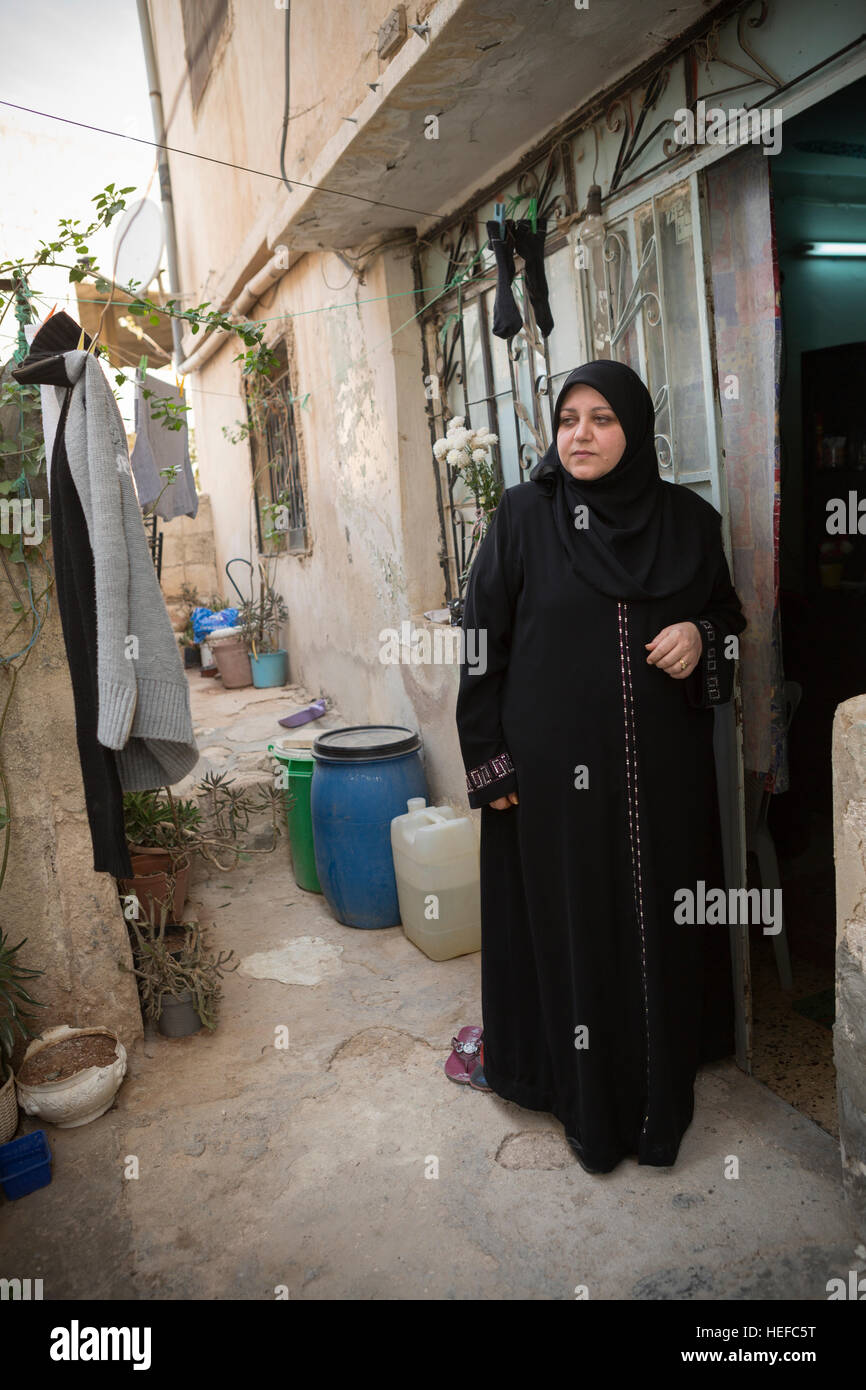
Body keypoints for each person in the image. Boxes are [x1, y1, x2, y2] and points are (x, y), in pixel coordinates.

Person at [454, 359, 747, 1172]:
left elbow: (727, 615)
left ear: (636, 428)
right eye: (569, 419)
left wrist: (700, 634)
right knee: (571, 925)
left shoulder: (689, 521)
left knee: (653, 925)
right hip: (551, 786)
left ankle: (656, 1094)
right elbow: (483, 644)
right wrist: (490, 764)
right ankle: (577, 1093)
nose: (581, 435)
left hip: (662, 778)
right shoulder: (523, 516)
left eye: (602, 419)